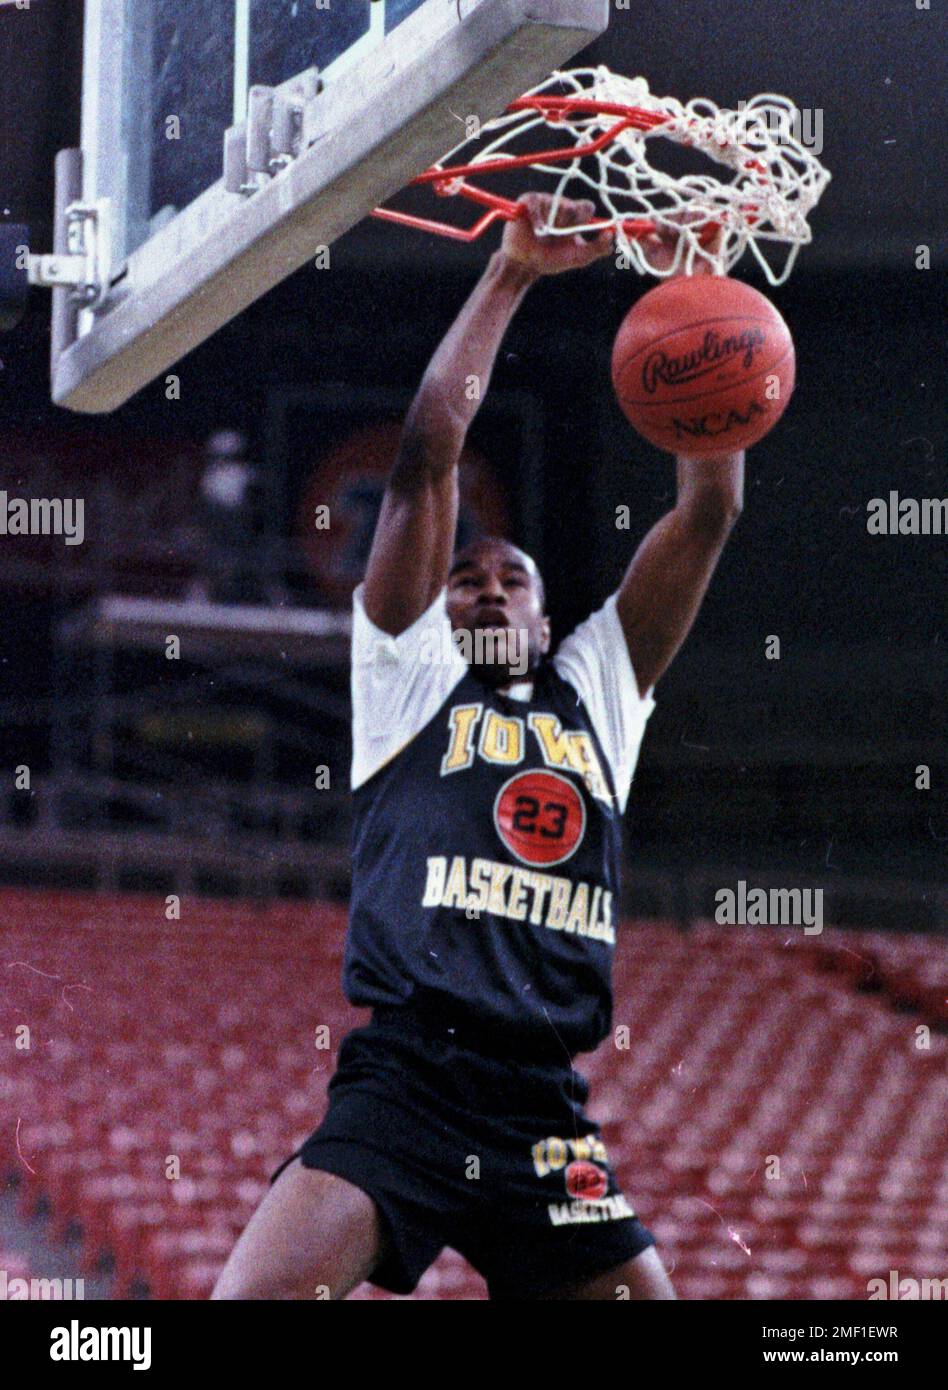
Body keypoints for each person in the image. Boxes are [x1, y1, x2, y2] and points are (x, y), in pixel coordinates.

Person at [213, 194, 744, 1301]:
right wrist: (510, 275)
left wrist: (701, 299)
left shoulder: (597, 687)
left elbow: (705, 512)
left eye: (514, 577)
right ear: (436, 610)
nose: (490, 585)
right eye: (468, 577)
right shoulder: (407, 679)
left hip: (542, 1104)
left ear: (551, 621)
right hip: (409, 1084)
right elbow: (423, 460)